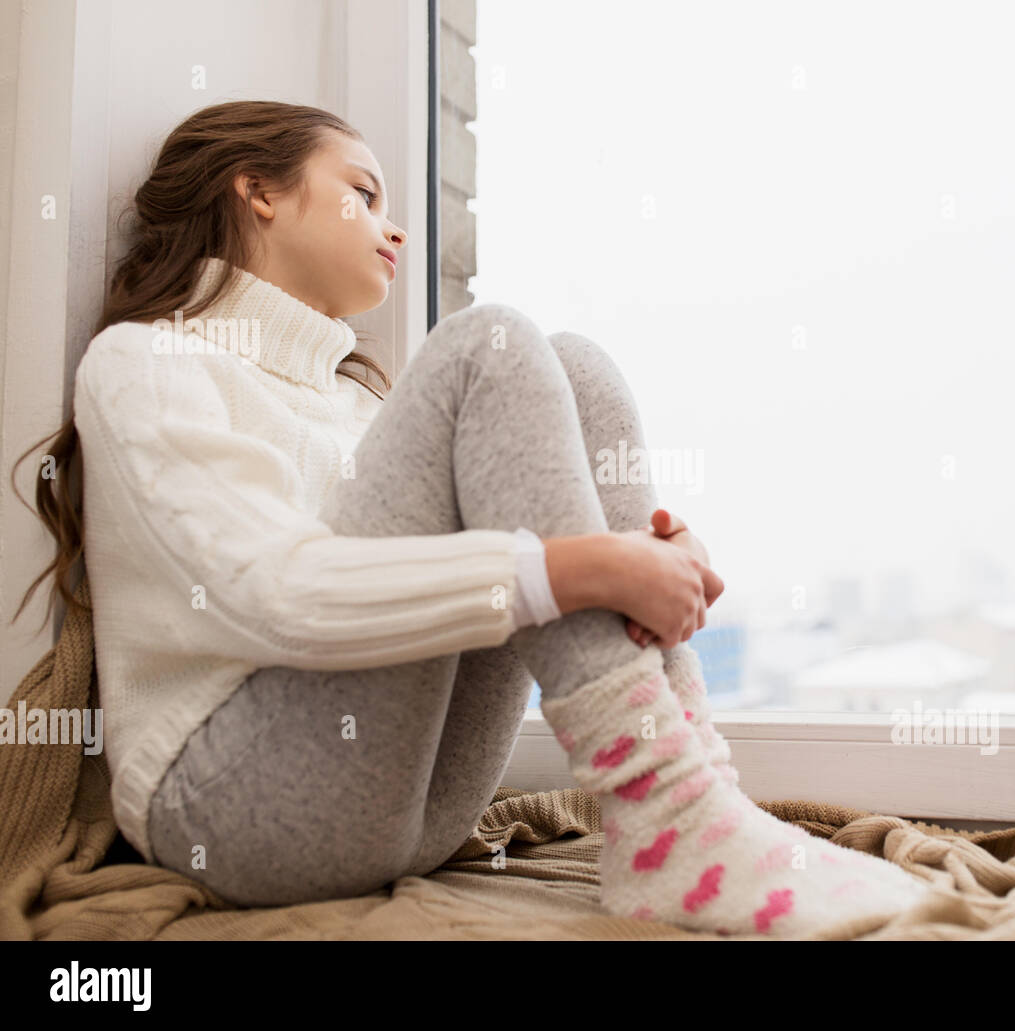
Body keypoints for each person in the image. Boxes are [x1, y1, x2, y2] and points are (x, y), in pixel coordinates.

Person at [10, 100, 929, 936]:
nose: (394, 226)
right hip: (235, 808)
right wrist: (579, 569)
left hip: (415, 808)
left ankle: (680, 793)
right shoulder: (145, 365)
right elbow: (279, 595)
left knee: (577, 367)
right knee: (489, 344)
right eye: (363, 194)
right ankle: (673, 812)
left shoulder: (358, 410)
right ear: (257, 192)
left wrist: (641, 555)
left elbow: (422, 585)